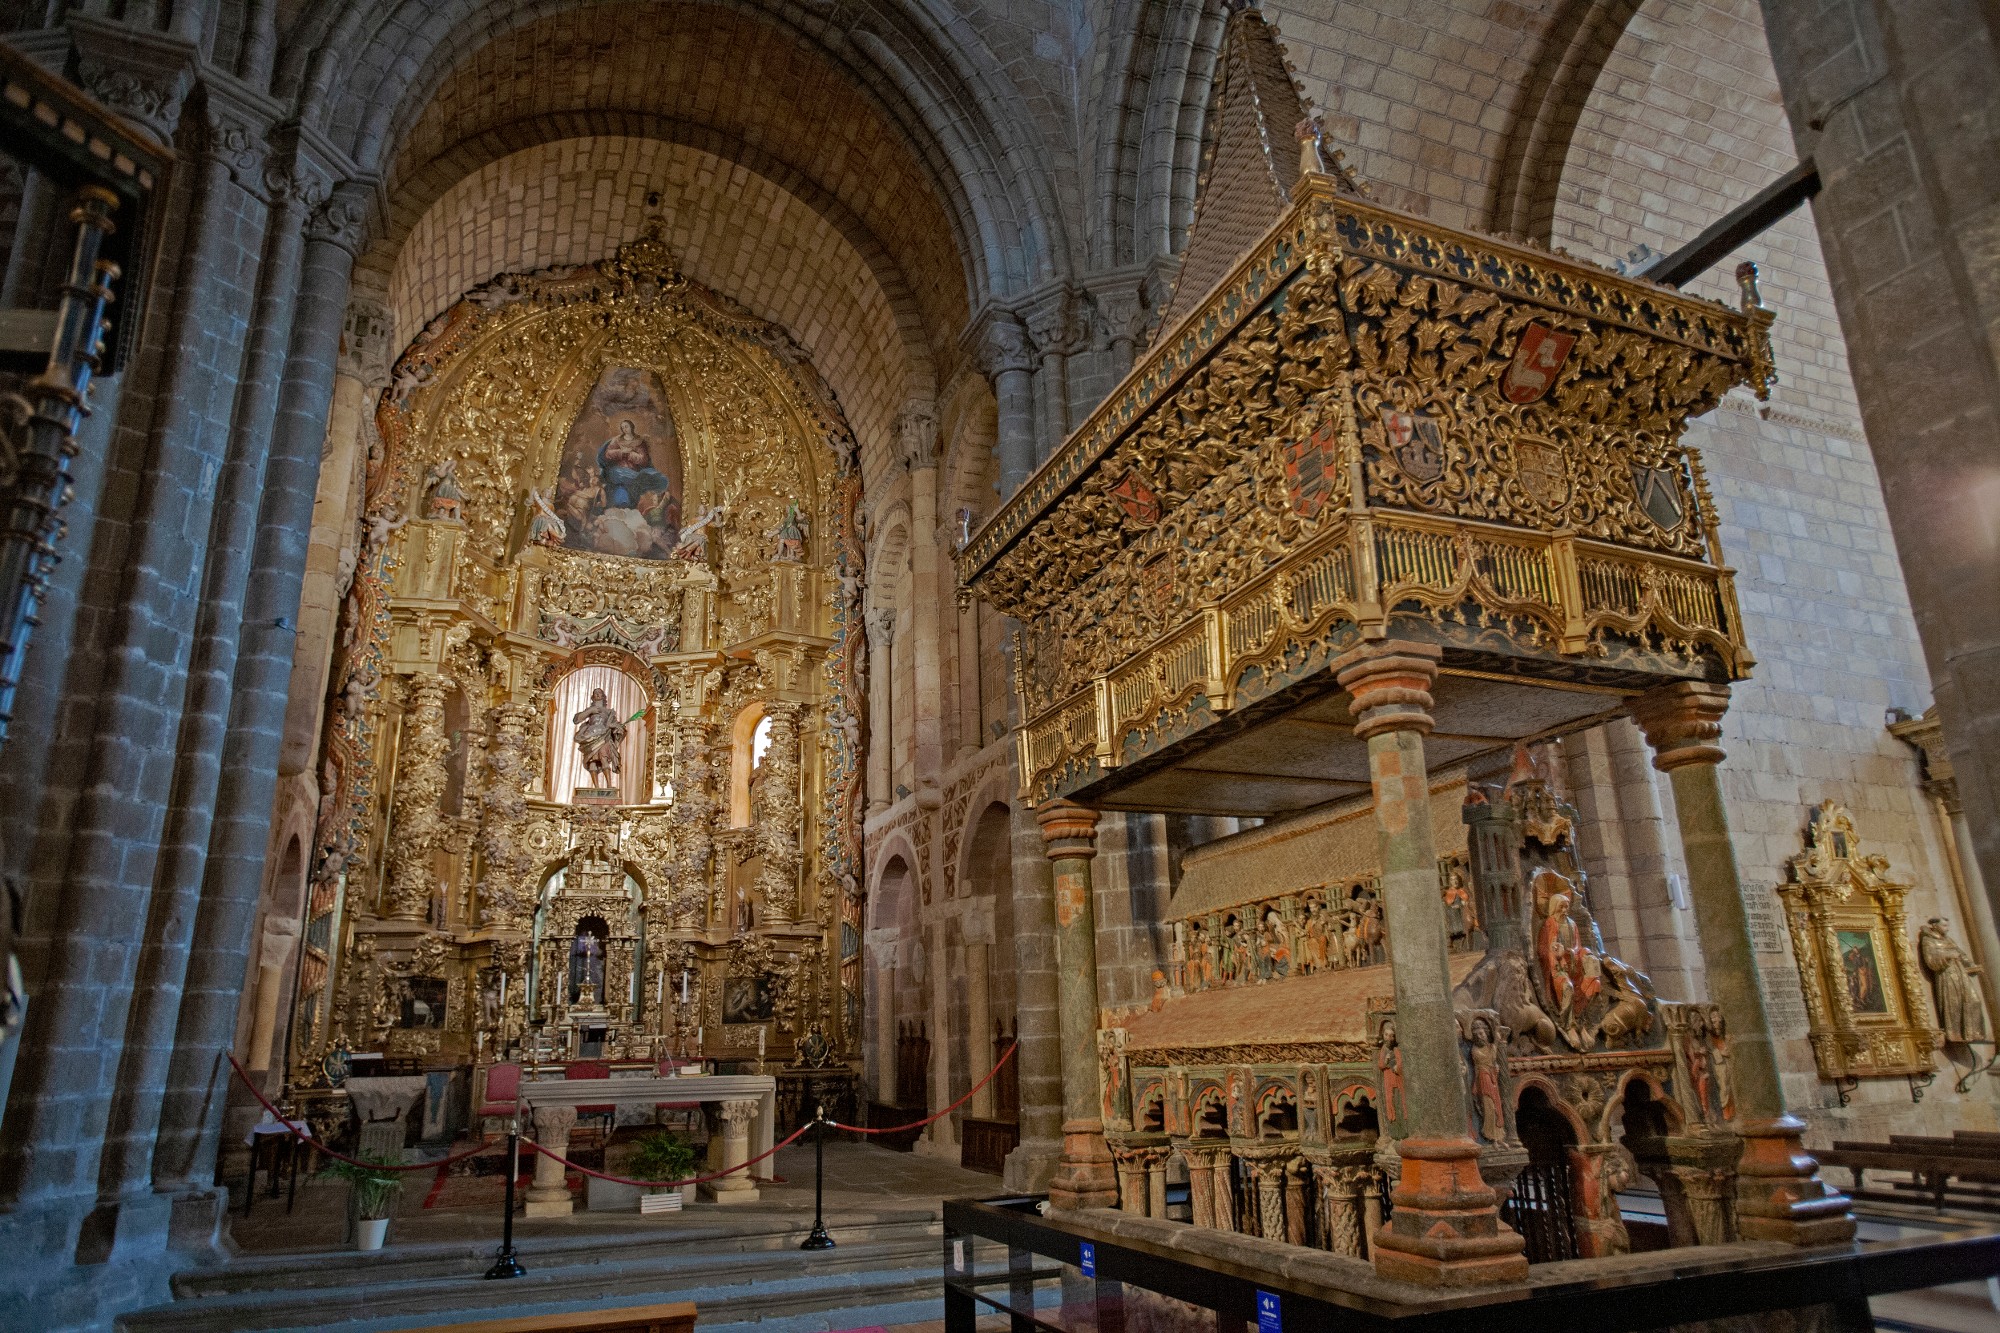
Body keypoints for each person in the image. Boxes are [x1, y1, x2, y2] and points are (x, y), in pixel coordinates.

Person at [572, 686, 627, 789]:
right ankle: (596, 787)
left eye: (599, 692)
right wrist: (590, 711)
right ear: (593, 697)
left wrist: (618, 728)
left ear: (603, 696)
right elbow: (576, 720)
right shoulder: (590, 709)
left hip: (604, 736)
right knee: (592, 761)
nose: (597, 694)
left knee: (603, 757)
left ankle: (609, 786)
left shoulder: (609, 712)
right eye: (595, 693)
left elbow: (614, 725)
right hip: (590, 737)